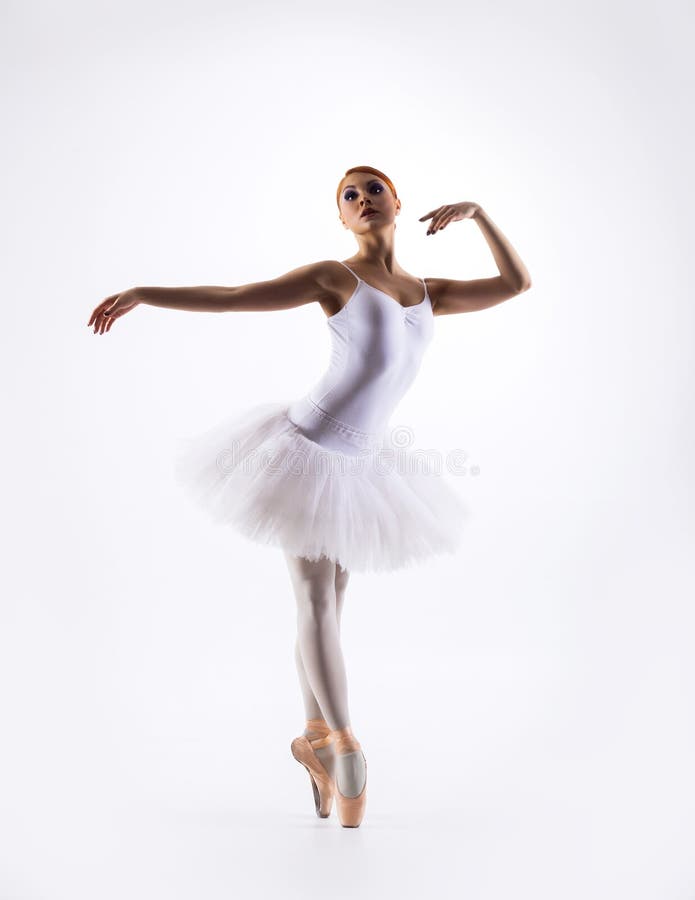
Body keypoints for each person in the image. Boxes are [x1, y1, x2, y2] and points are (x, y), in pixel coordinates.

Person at [87, 164, 532, 827]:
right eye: (348, 196)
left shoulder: (425, 292)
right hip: (305, 450)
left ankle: (315, 740)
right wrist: (146, 292)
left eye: (371, 188)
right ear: (342, 219)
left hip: (362, 466)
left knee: (331, 602)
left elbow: (514, 284)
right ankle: (348, 751)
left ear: (397, 202)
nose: (361, 199)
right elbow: (237, 294)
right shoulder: (335, 277)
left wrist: (477, 214)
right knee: (315, 600)